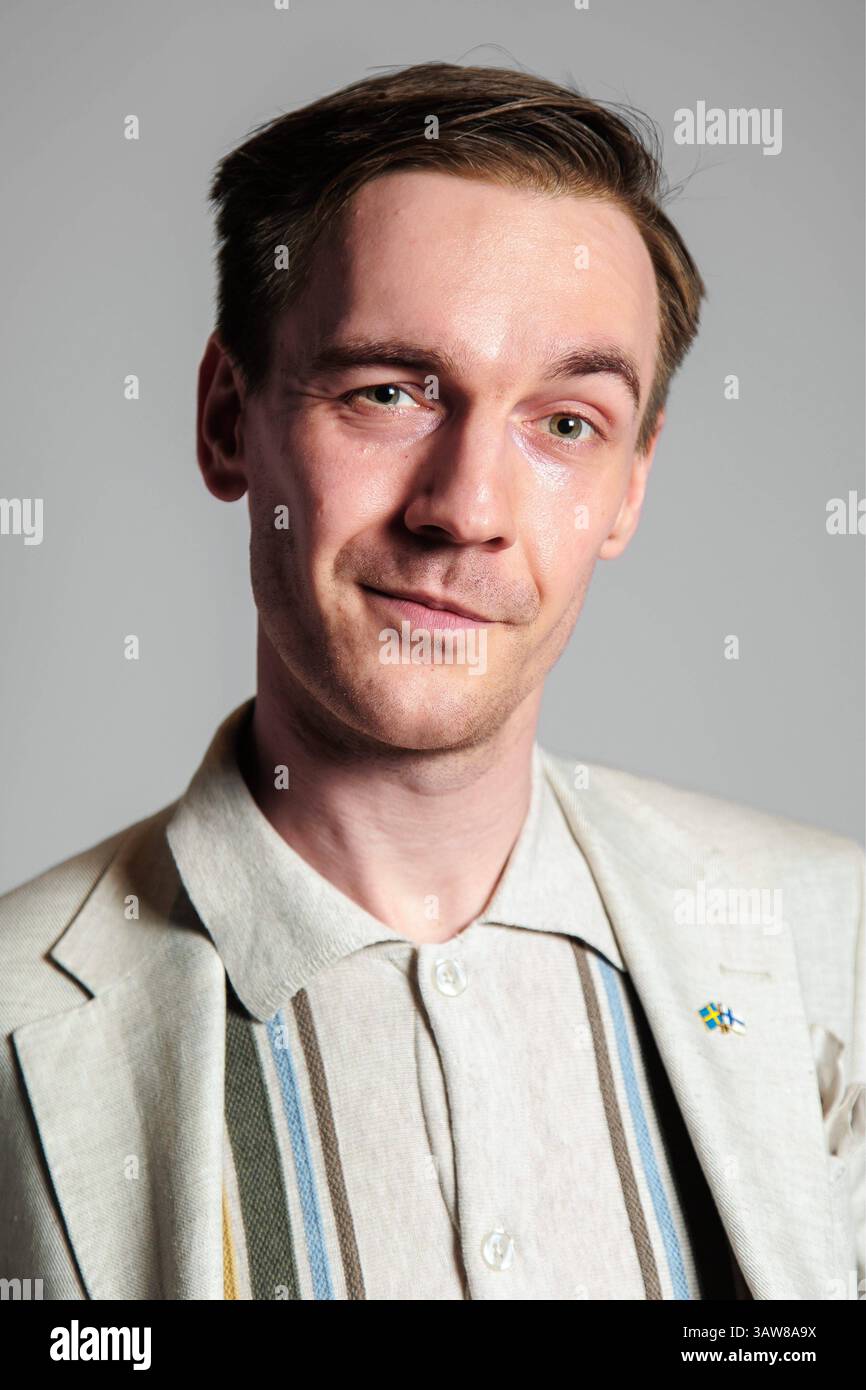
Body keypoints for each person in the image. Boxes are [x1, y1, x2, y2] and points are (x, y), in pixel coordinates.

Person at [0, 62, 862, 1302]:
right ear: (227, 418)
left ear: (629, 482)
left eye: (564, 423)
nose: (464, 510)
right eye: (389, 392)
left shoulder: (835, 948)